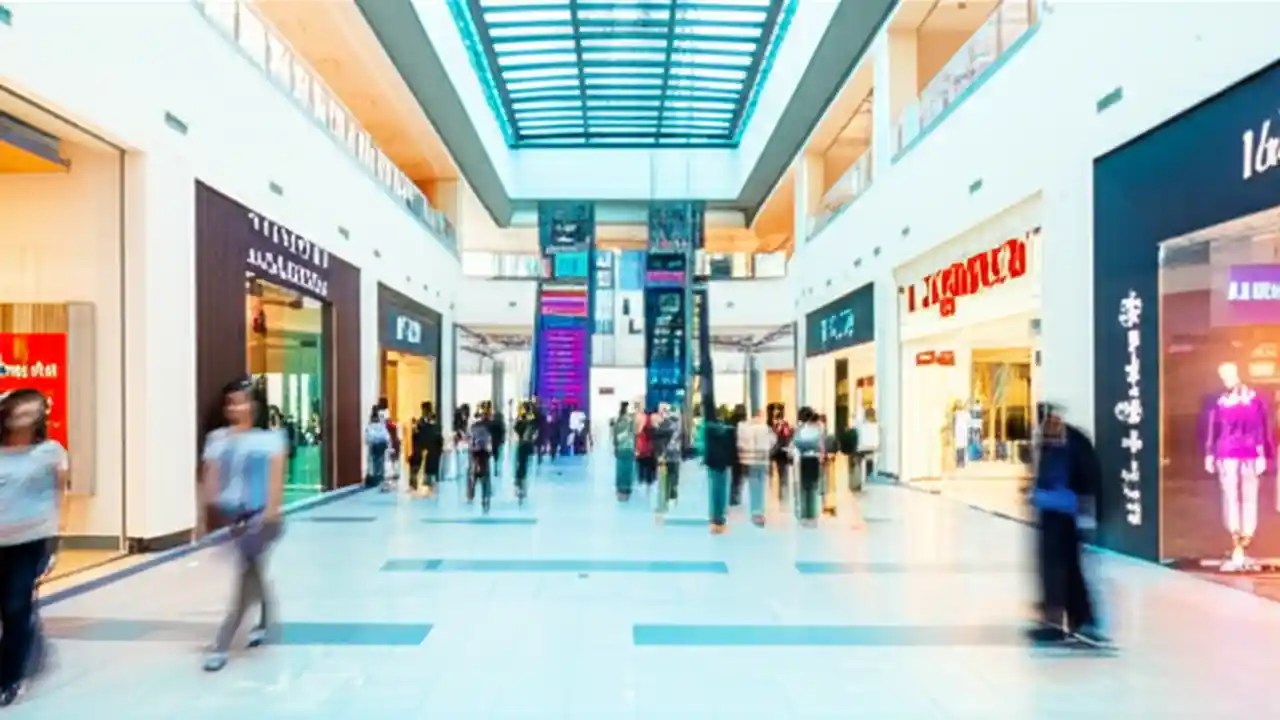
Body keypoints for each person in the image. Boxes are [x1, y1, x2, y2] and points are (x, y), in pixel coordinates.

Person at [200, 378, 286, 672]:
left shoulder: (271, 439)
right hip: (234, 520)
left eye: (243, 400)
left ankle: (222, 644)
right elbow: (210, 482)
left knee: (245, 580)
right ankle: (267, 618)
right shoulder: (217, 440)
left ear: (256, 404)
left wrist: (268, 516)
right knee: (256, 573)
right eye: (232, 402)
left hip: (262, 519)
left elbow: (276, 484)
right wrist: (207, 521)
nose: (237, 407)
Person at [0, 389, 67, 705]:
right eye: (17, 411)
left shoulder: (51, 452)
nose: (23, 418)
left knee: (15, 606)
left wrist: (56, 539)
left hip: (30, 541)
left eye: (31, 413)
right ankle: (27, 650)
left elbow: (58, 495)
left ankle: (9, 677)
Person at [1026, 403, 1109, 647]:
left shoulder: (1072, 442)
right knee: (1053, 569)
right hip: (1052, 515)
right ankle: (1058, 620)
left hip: (1065, 516)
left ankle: (1077, 621)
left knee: (1066, 570)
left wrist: (1089, 513)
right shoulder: (1052, 442)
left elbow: (1085, 479)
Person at [738, 408, 775, 527]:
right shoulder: (765, 428)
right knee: (761, 486)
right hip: (763, 459)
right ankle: (760, 512)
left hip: (752, 460)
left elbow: (742, 443)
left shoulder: (747, 428)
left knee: (753, 486)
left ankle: (754, 512)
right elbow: (773, 441)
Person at [703, 413, 736, 534]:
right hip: (724, 464)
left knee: (713, 491)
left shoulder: (708, 431)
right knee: (722, 491)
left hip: (712, 463)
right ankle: (721, 519)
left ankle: (713, 518)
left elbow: (706, 449)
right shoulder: (729, 432)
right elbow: (732, 450)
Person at [794, 408, 824, 527]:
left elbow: (797, 442)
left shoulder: (801, 430)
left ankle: (804, 514)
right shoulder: (817, 430)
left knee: (804, 487)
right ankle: (812, 515)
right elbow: (819, 445)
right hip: (814, 459)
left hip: (804, 459)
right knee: (813, 487)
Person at [653, 403, 683, 519]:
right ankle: (673, 500)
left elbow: (657, 438)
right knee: (674, 478)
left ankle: (664, 503)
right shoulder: (680, 426)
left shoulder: (664, 424)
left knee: (664, 480)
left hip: (665, 457)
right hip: (675, 456)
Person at [468, 408, 494, 513]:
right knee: (485, 479)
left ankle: (472, 494)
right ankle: (485, 498)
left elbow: (472, 445)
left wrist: (473, 449)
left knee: (474, 475)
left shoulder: (475, 429)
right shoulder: (486, 431)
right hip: (483, 457)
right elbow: (488, 447)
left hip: (477, 457)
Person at [513, 402, 538, 503]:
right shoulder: (531, 421)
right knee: (526, 467)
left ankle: (520, 486)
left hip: (522, 445)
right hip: (529, 446)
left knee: (520, 466)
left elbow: (516, 429)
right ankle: (523, 488)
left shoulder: (521, 421)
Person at [612, 402, 636, 501]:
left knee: (620, 469)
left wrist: (615, 447)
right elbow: (634, 435)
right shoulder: (631, 421)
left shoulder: (618, 421)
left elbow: (615, 437)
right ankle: (627, 489)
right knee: (628, 470)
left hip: (620, 449)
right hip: (629, 448)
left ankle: (620, 490)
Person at [770, 407, 794, 500]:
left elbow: (785, 438)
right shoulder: (780, 426)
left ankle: (784, 496)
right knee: (783, 474)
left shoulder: (783, 426)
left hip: (782, 453)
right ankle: (783, 495)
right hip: (781, 453)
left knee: (783, 475)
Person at [364, 406, 390, 491]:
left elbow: (369, 435)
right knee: (380, 460)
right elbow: (386, 435)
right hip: (381, 443)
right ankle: (380, 477)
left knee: (375, 461)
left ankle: (376, 477)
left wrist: (368, 441)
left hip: (375, 444)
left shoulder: (371, 423)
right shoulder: (380, 422)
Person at [635, 406, 657, 491]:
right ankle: (650, 481)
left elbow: (637, 434)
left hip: (642, 449)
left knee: (641, 465)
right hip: (650, 450)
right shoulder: (653, 425)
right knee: (650, 466)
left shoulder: (641, 424)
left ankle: (641, 480)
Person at [729, 405, 747, 507]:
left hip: (732, 453)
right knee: (738, 476)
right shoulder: (743, 424)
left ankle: (733, 496)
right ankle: (735, 496)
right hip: (740, 453)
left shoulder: (731, 423)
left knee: (734, 476)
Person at [490, 407, 507, 480]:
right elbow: (503, 432)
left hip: (493, 441)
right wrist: (503, 440)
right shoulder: (501, 423)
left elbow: (489, 431)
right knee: (500, 456)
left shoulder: (492, 423)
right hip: (499, 441)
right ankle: (498, 469)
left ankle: (495, 468)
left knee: (494, 455)